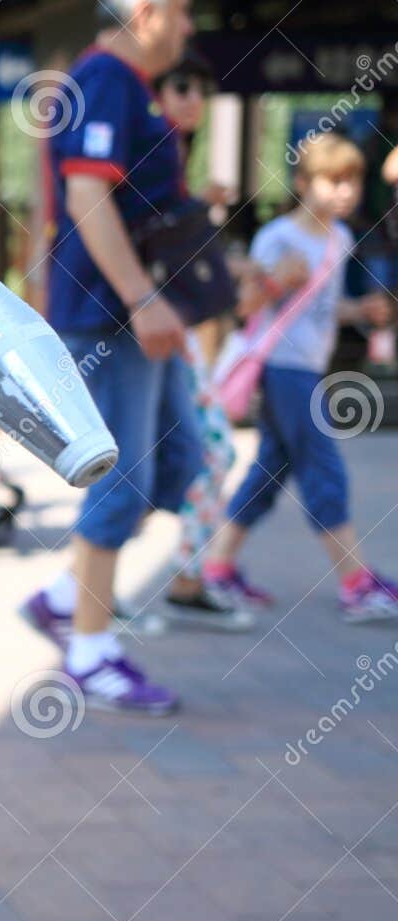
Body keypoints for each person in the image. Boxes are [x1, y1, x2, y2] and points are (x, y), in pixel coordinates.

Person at [20, 0, 202, 715]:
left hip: (136, 315)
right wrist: (142, 298)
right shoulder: (105, 79)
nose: (189, 28)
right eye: (182, 12)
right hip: (112, 317)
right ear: (148, 13)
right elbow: (87, 195)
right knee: (123, 480)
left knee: (179, 460)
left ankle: (67, 595)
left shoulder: (126, 85)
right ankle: (90, 654)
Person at [204, 133, 398, 621]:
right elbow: (244, 307)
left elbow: (324, 308)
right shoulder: (277, 237)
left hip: (308, 365)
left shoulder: (340, 238)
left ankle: (216, 567)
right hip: (281, 368)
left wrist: (361, 310)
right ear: (303, 182)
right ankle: (355, 581)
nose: (345, 191)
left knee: (269, 472)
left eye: (352, 181)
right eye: (333, 181)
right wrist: (276, 280)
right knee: (323, 466)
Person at [146, 50, 253, 631]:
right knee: (179, 455)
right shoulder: (148, 153)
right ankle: (82, 591)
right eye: (181, 86)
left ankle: (183, 577)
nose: (193, 99)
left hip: (167, 327)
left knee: (194, 453)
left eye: (200, 90)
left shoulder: (174, 156)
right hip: (138, 328)